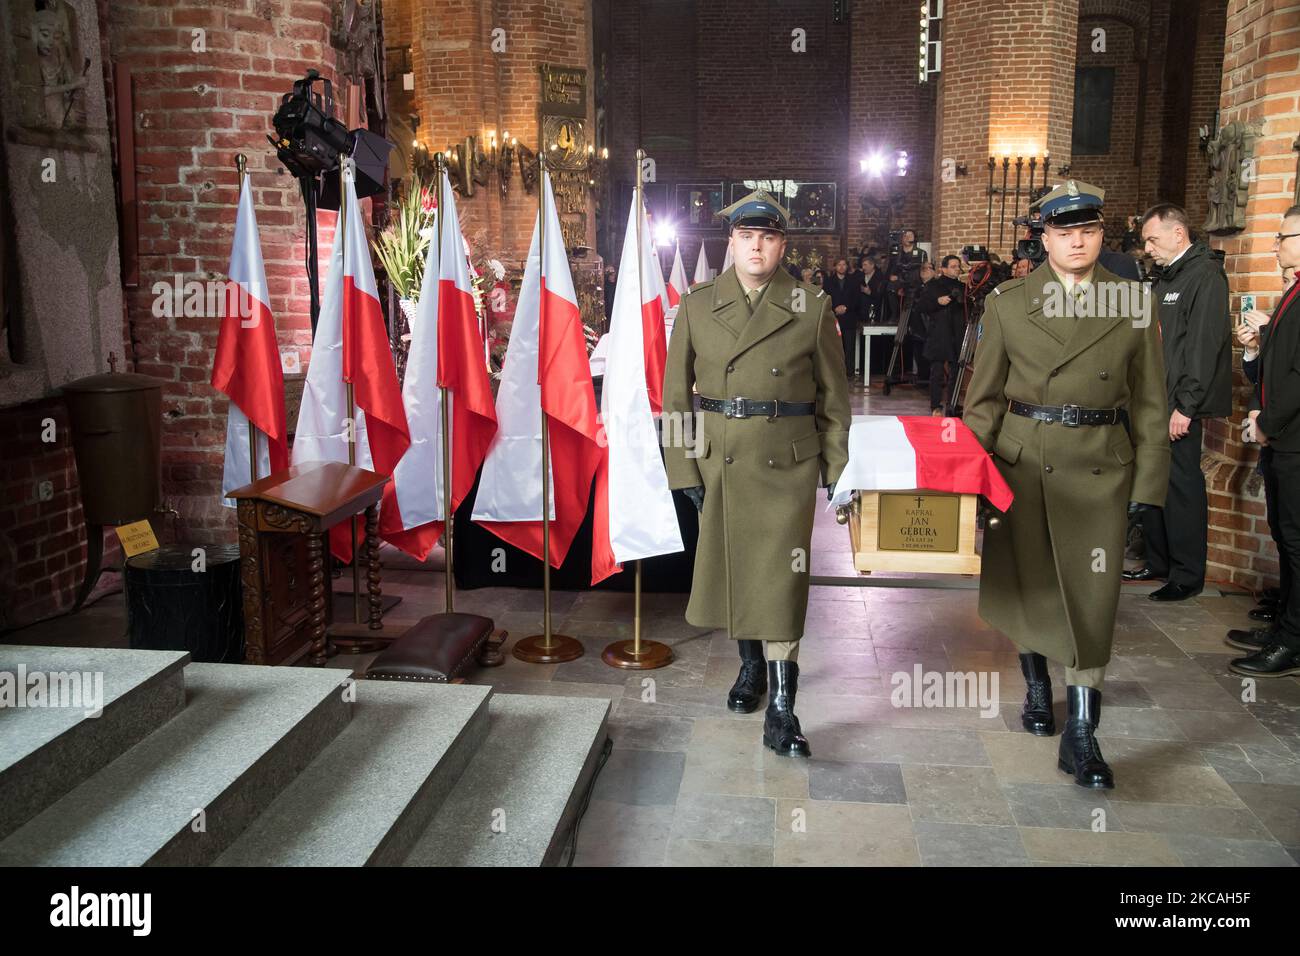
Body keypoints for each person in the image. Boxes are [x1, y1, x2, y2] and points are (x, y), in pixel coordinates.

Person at [963, 179, 1169, 789]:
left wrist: (1148, 485)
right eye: (1063, 231)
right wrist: (972, 472)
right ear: (1044, 237)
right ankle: (1036, 687)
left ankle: (1082, 734)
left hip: (1101, 466)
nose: (1077, 241)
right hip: (1023, 462)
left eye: (1088, 230)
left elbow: (1153, 406)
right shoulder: (1006, 302)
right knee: (1031, 582)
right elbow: (984, 403)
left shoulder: (1133, 302)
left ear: (1102, 235)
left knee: (1092, 598)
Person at [662, 190, 852, 756]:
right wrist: (683, 471)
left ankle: (784, 709)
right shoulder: (697, 305)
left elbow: (834, 401)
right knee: (737, 568)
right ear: (732, 242)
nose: (757, 246)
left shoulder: (810, 306)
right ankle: (750, 668)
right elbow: (676, 401)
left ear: (782, 244)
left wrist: (836, 470)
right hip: (719, 460)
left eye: (768, 237)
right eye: (747, 236)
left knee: (781, 578)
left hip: (786, 463)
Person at [1123, 204, 1231, 600]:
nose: (1147, 248)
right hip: (1153, 401)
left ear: (1178, 234)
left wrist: (1186, 406)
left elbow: (1203, 348)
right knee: (1152, 482)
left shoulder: (1205, 276)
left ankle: (1187, 575)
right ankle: (1159, 560)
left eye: (1152, 239)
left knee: (1181, 488)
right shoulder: (1168, 277)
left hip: (1178, 406)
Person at [1228, 208, 1300, 677]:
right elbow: (1276, 369)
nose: (1275, 244)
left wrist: (1268, 422)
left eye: (1282, 236)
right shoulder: (1291, 293)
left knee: (1296, 540)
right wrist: (1255, 349)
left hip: (1293, 438)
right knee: (1285, 535)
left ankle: (1293, 642)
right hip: (1282, 437)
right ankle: (1286, 625)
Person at [916, 255, 965, 414]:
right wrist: (938, 302)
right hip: (939, 333)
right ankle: (935, 405)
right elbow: (921, 306)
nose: (956, 269)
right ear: (943, 269)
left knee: (956, 371)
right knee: (937, 372)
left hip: (957, 332)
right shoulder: (933, 286)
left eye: (958, 266)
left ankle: (953, 403)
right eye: (953, 266)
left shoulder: (963, 287)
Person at [824, 257, 860, 379]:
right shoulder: (828, 281)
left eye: (844, 264)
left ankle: (849, 372)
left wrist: (846, 308)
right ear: (835, 266)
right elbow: (825, 299)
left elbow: (857, 299)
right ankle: (835, 372)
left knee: (849, 347)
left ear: (847, 266)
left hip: (849, 317)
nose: (841, 267)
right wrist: (835, 309)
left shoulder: (854, 281)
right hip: (834, 318)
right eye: (839, 264)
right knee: (835, 347)